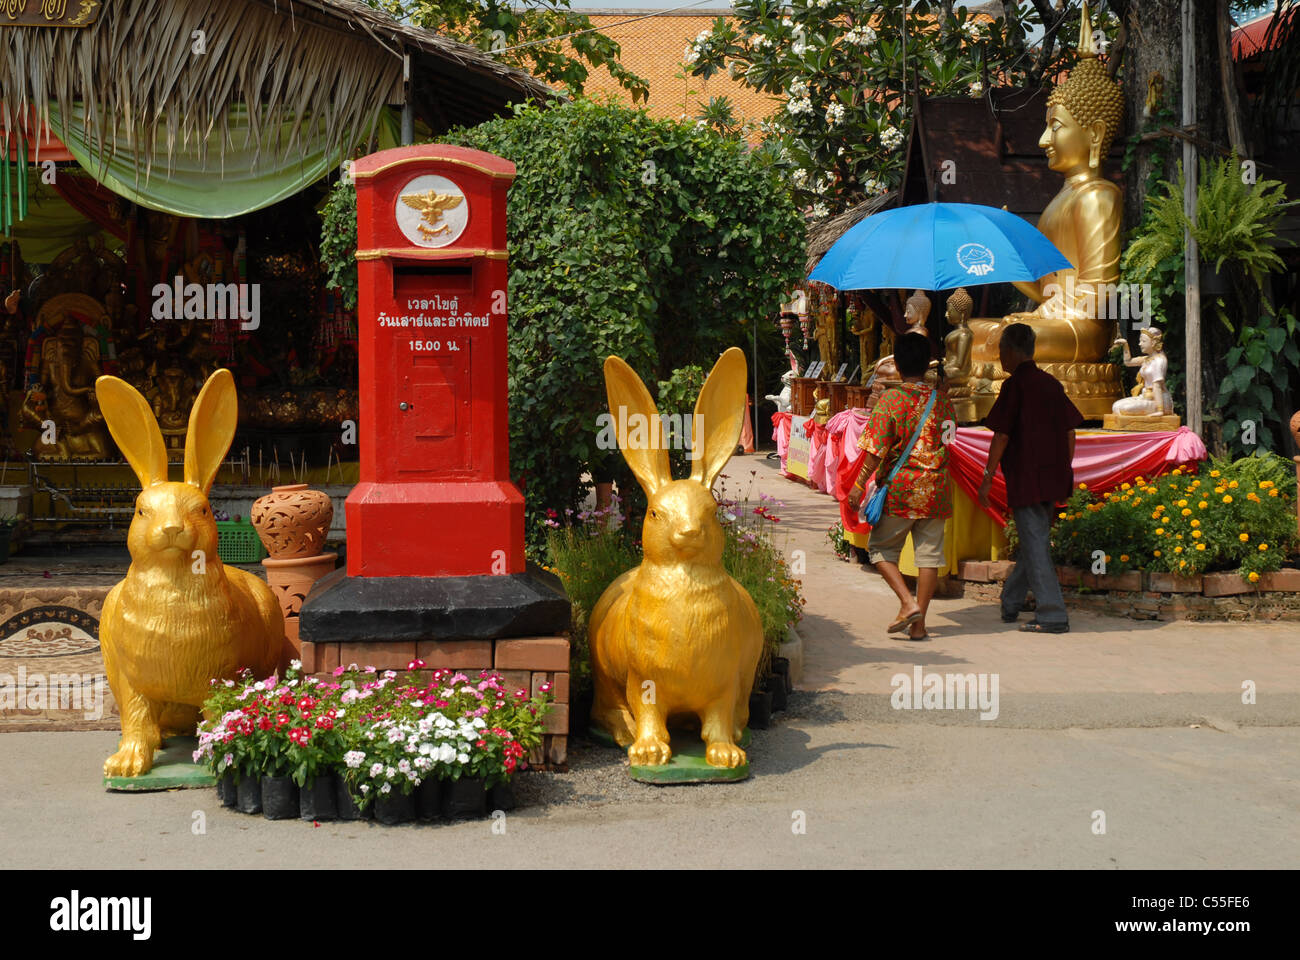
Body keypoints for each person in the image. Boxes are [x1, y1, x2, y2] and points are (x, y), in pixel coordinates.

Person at [978, 323, 1084, 633]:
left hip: (1027, 476)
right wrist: (1065, 467)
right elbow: (1070, 432)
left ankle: (1052, 614)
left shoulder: (1015, 386)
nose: (1000, 359)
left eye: (1000, 352)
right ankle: (1011, 602)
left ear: (1010, 352)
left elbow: (1001, 436)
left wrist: (987, 477)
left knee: (1035, 543)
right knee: (1033, 540)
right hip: (1053, 474)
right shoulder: (1050, 383)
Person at [854, 332, 954, 641]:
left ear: (896, 365)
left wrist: (858, 486)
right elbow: (950, 442)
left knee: (880, 549)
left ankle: (908, 603)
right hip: (936, 490)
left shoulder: (892, 399)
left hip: (901, 490)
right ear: (927, 365)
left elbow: (875, 449)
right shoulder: (942, 401)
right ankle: (919, 624)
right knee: (929, 557)